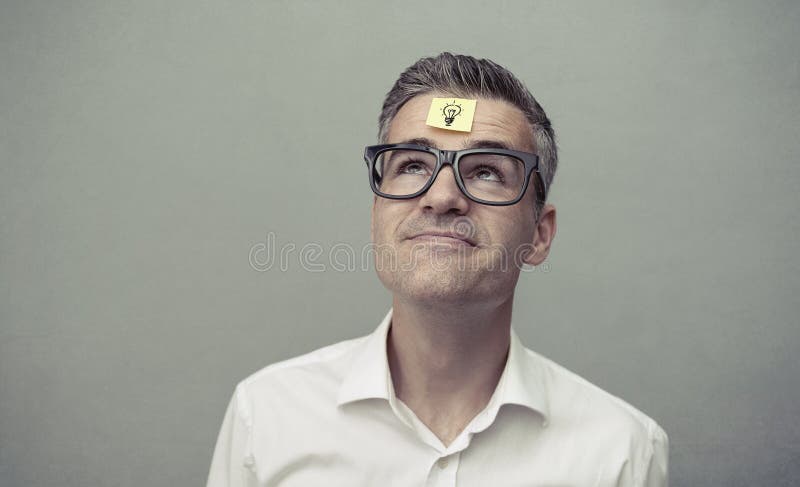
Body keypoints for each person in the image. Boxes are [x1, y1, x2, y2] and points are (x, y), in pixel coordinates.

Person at [206, 52, 668, 487]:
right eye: (411, 164)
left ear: (539, 235)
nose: (442, 197)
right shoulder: (265, 417)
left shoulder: (623, 452)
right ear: (376, 215)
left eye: (487, 171)